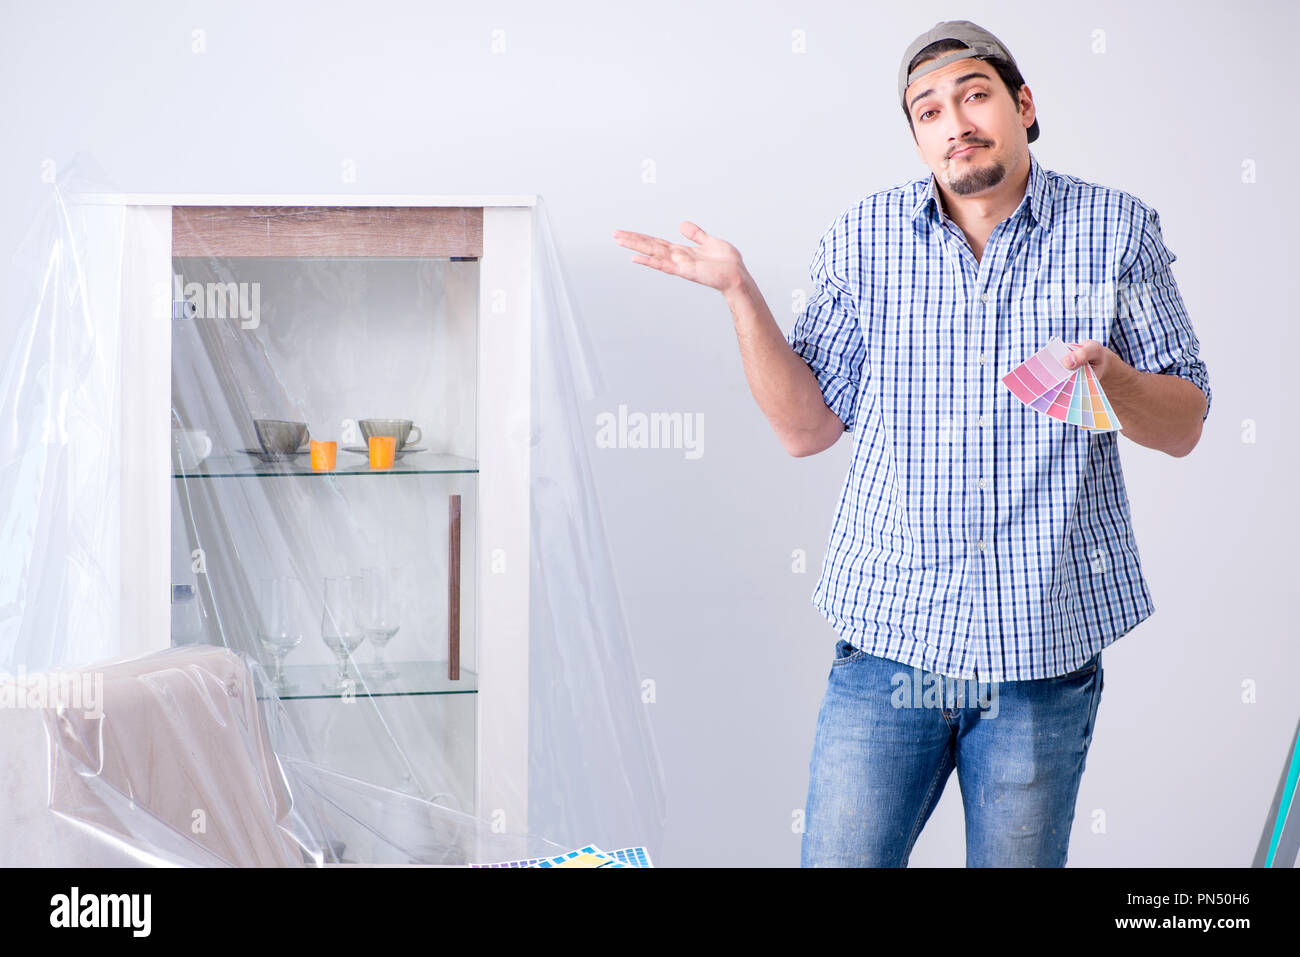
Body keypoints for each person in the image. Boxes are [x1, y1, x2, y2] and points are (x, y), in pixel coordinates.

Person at [612, 19, 1211, 866]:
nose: (955, 121)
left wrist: (1115, 380)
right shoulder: (866, 237)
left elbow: (1184, 424)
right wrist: (740, 291)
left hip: (1039, 653)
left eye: (974, 95)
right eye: (928, 110)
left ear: (1022, 104)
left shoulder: (1117, 231)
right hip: (889, 639)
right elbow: (804, 427)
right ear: (918, 134)